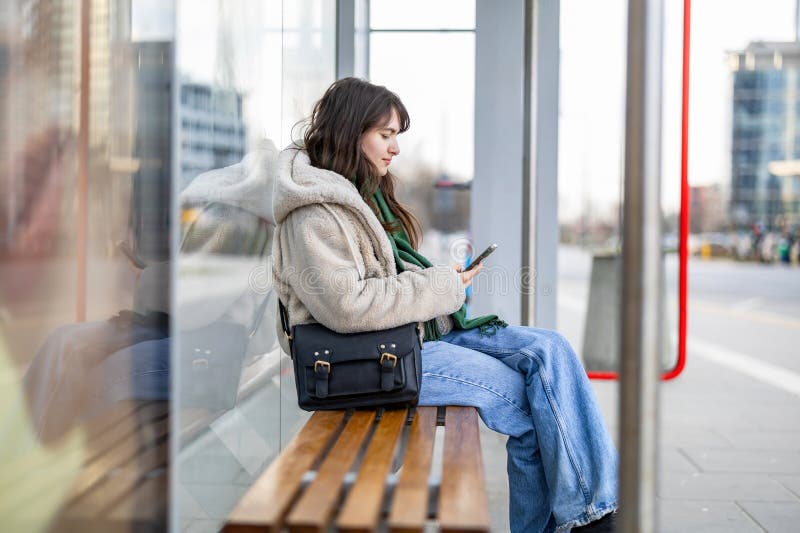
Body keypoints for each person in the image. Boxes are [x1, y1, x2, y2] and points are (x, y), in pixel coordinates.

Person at [271, 77, 618, 533]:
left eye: (397, 136)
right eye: (385, 135)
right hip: (370, 358)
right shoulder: (313, 212)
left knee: (549, 348)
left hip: (402, 338)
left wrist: (441, 282)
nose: (395, 149)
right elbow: (347, 307)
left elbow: (382, 281)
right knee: (534, 408)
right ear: (349, 131)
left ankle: (593, 510)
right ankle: (591, 517)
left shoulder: (352, 195)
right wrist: (438, 289)